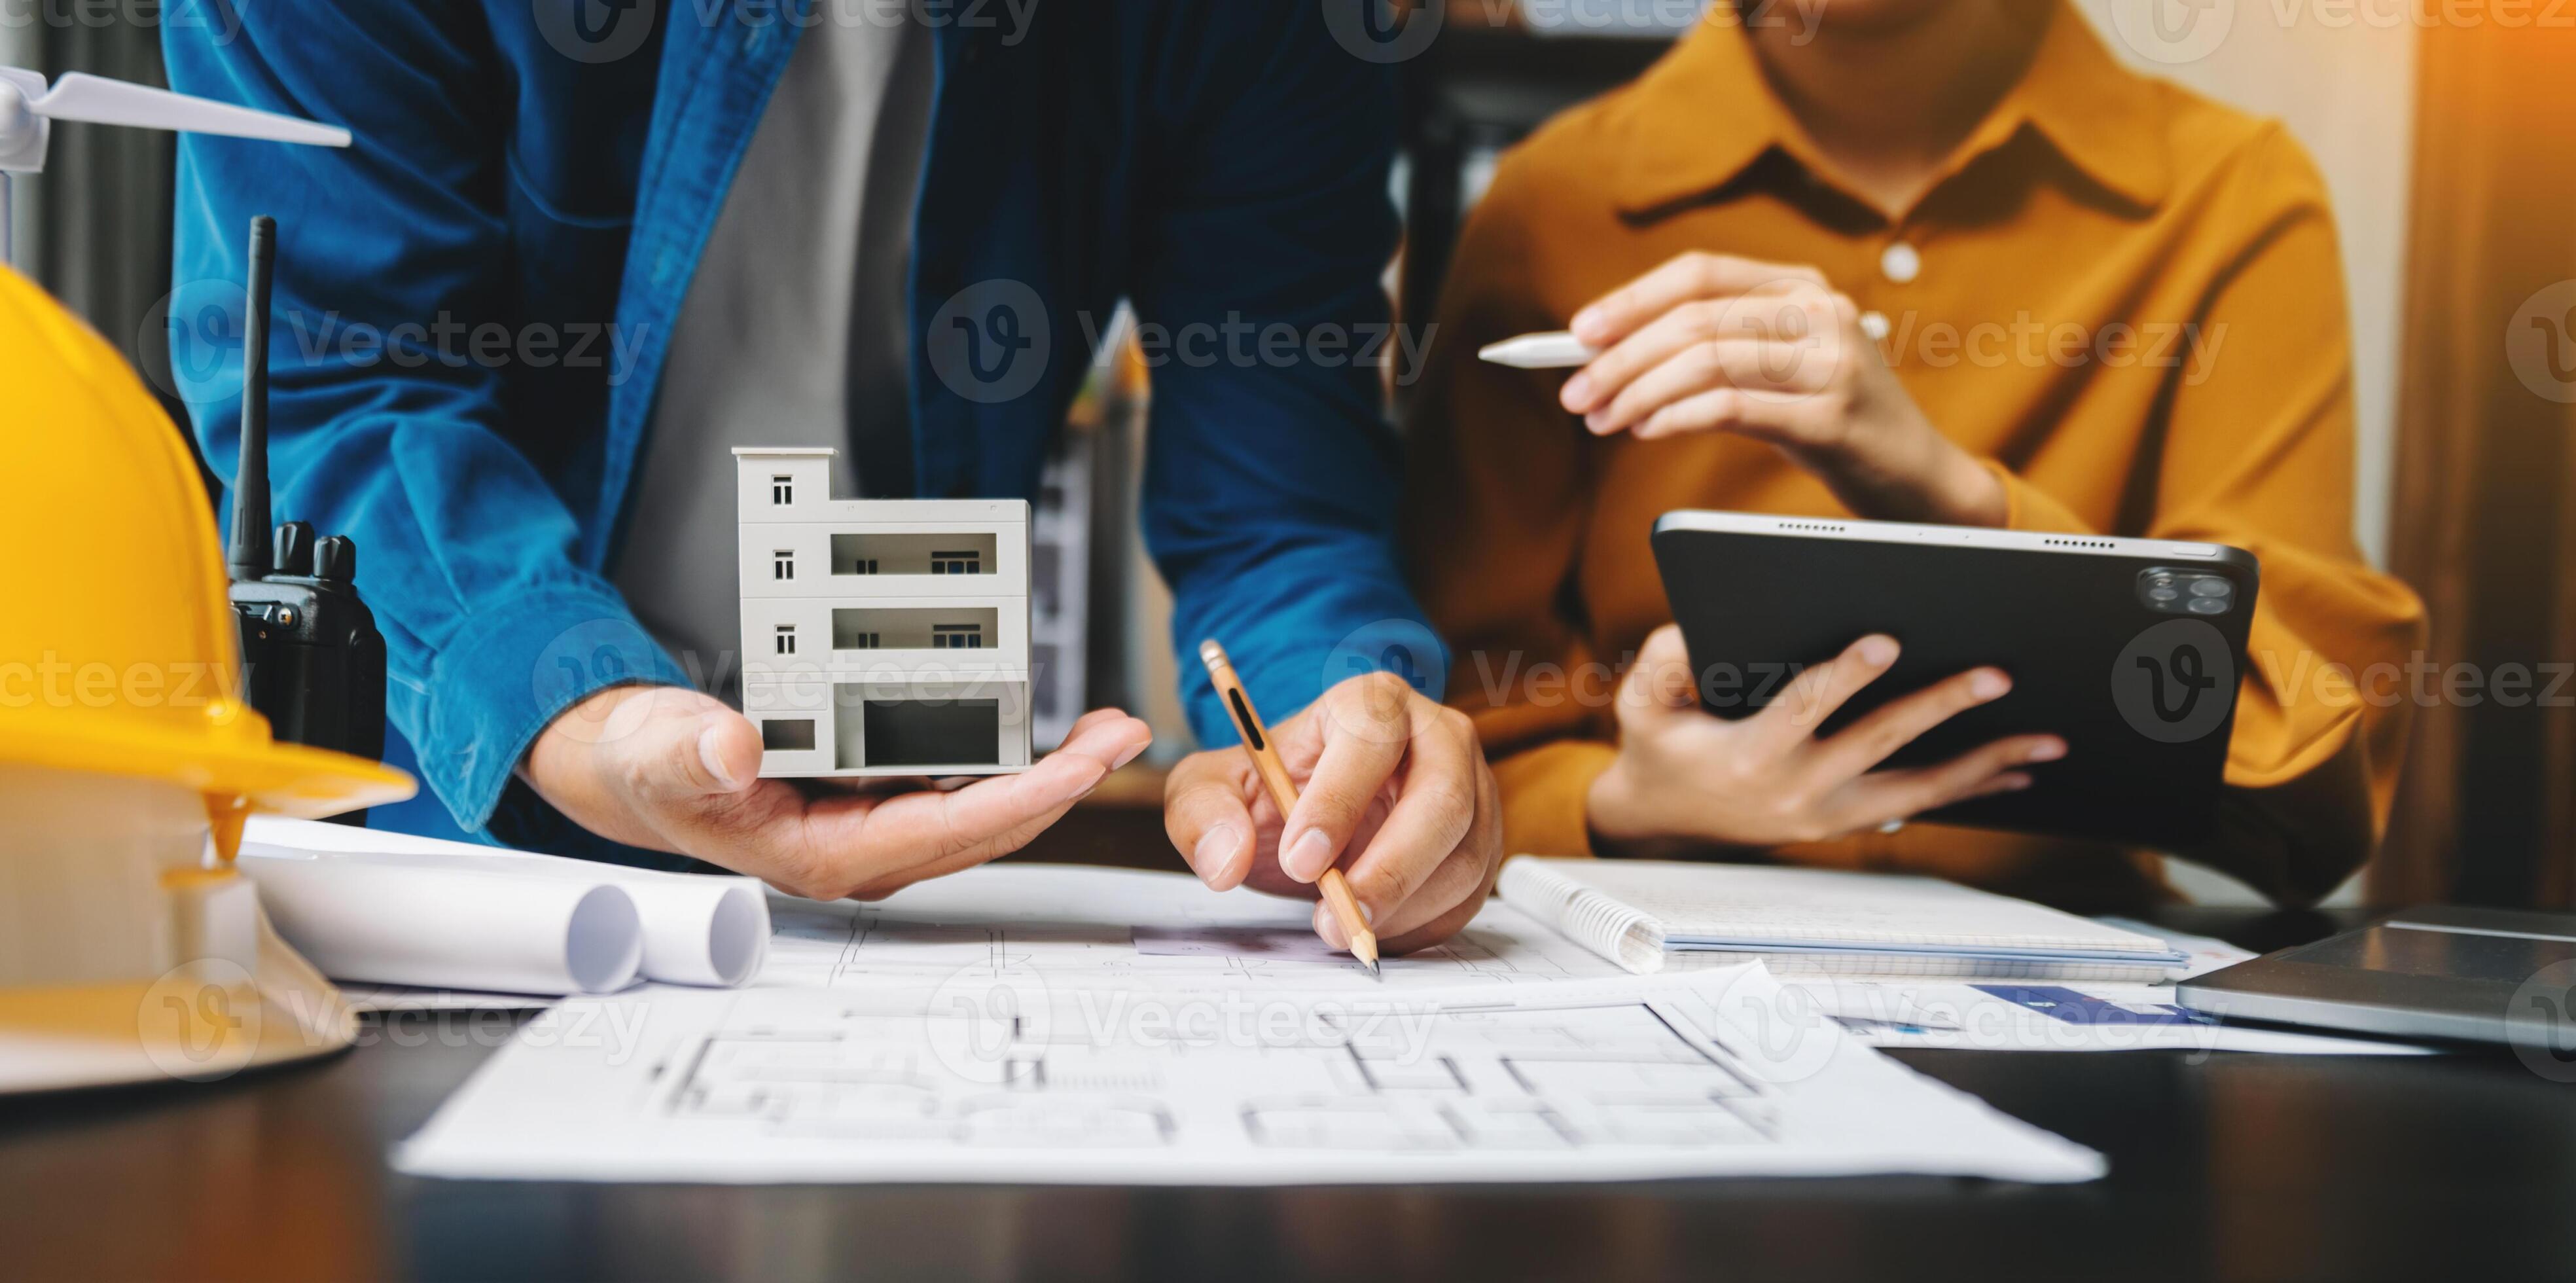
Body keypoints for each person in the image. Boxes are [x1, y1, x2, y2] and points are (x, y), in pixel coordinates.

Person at [164, 0, 1500, 952]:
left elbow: (1279, 493)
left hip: (906, 889)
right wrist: (579, 707)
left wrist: (1340, 731)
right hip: (461, 850)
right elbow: (344, 387)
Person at [1404, 0, 2425, 909]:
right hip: (1639, 993)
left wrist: (1950, 491)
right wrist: (1628, 803)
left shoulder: (2234, 196)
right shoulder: (1550, 205)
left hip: (2080, 1029)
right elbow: (1454, 741)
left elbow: (2312, 792)